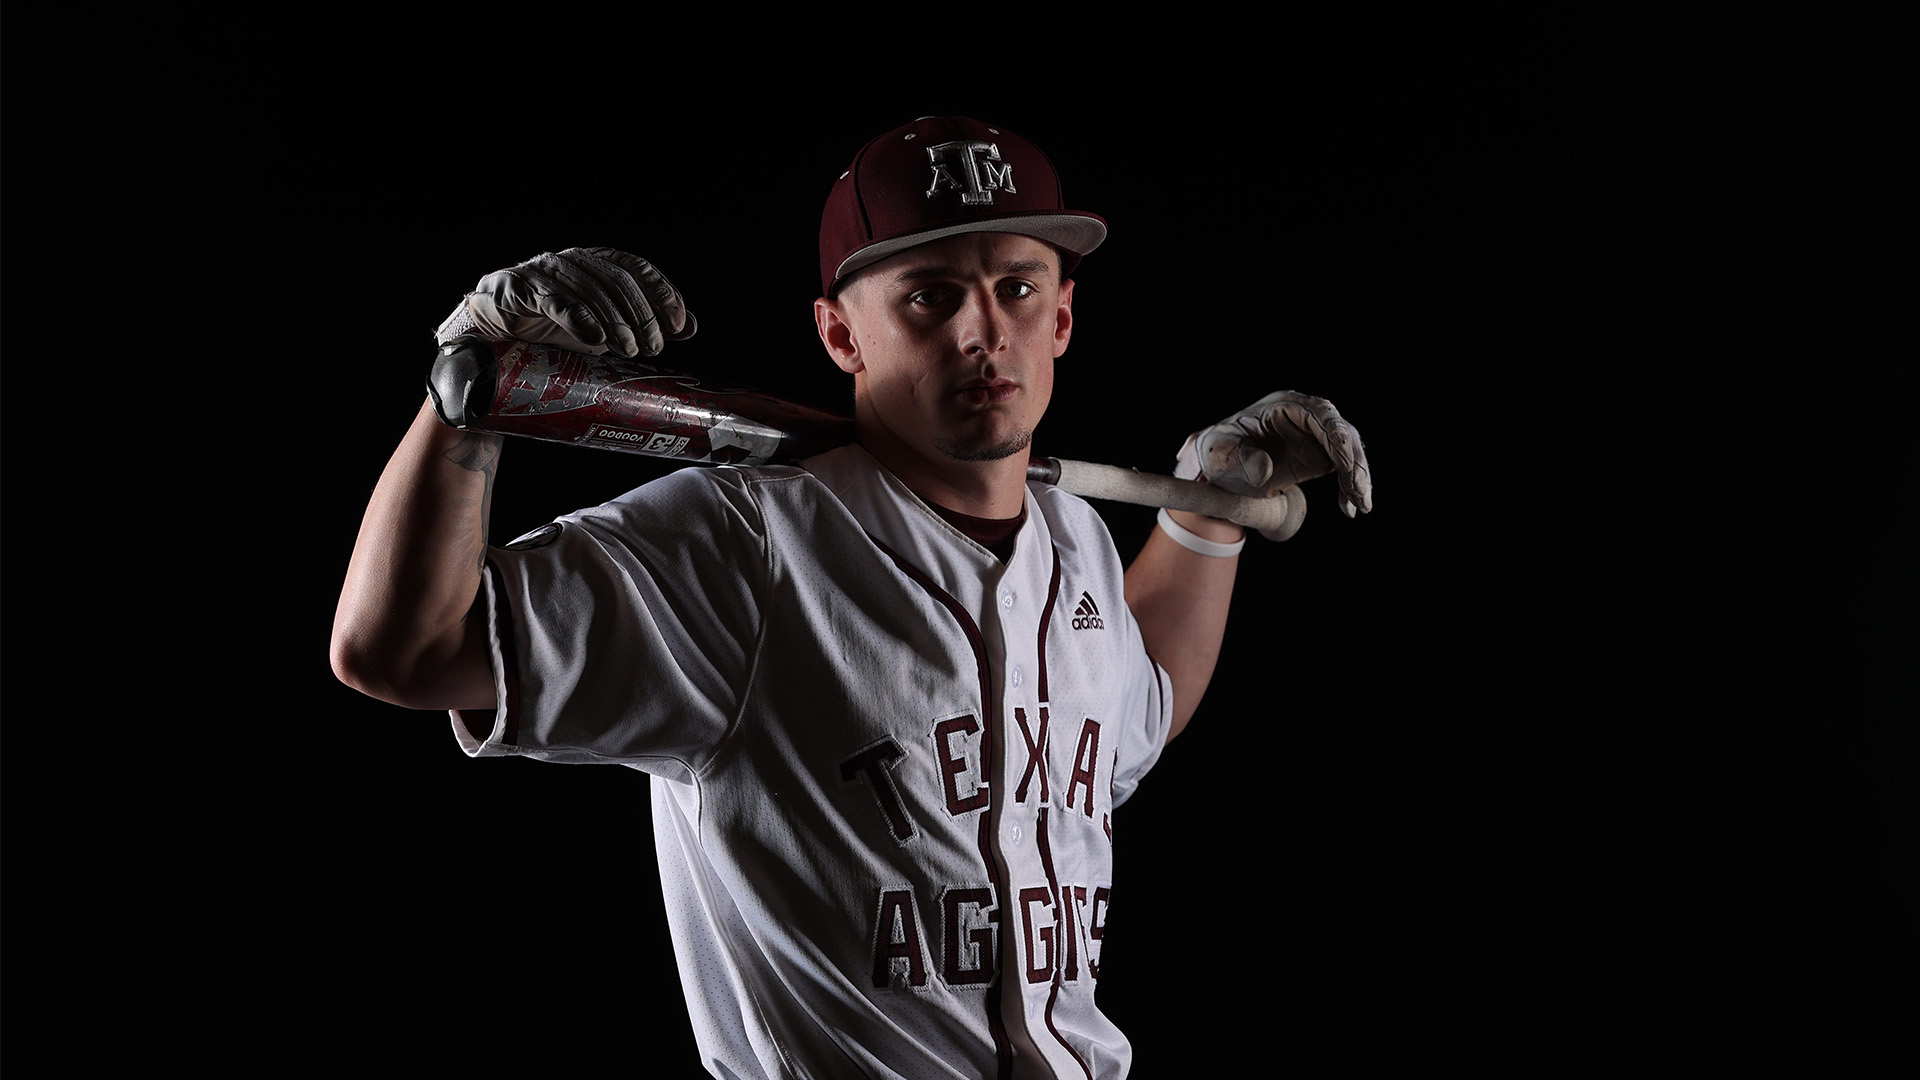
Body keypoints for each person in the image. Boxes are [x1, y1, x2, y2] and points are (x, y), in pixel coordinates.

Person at [332, 115, 1371, 1078]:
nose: (982, 330)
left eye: (1016, 289)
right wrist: (461, 398)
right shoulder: (740, 544)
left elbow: (1135, 704)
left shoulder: (1080, 543)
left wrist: (1207, 519)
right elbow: (403, 651)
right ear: (840, 335)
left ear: (1061, 318)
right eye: (929, 295)